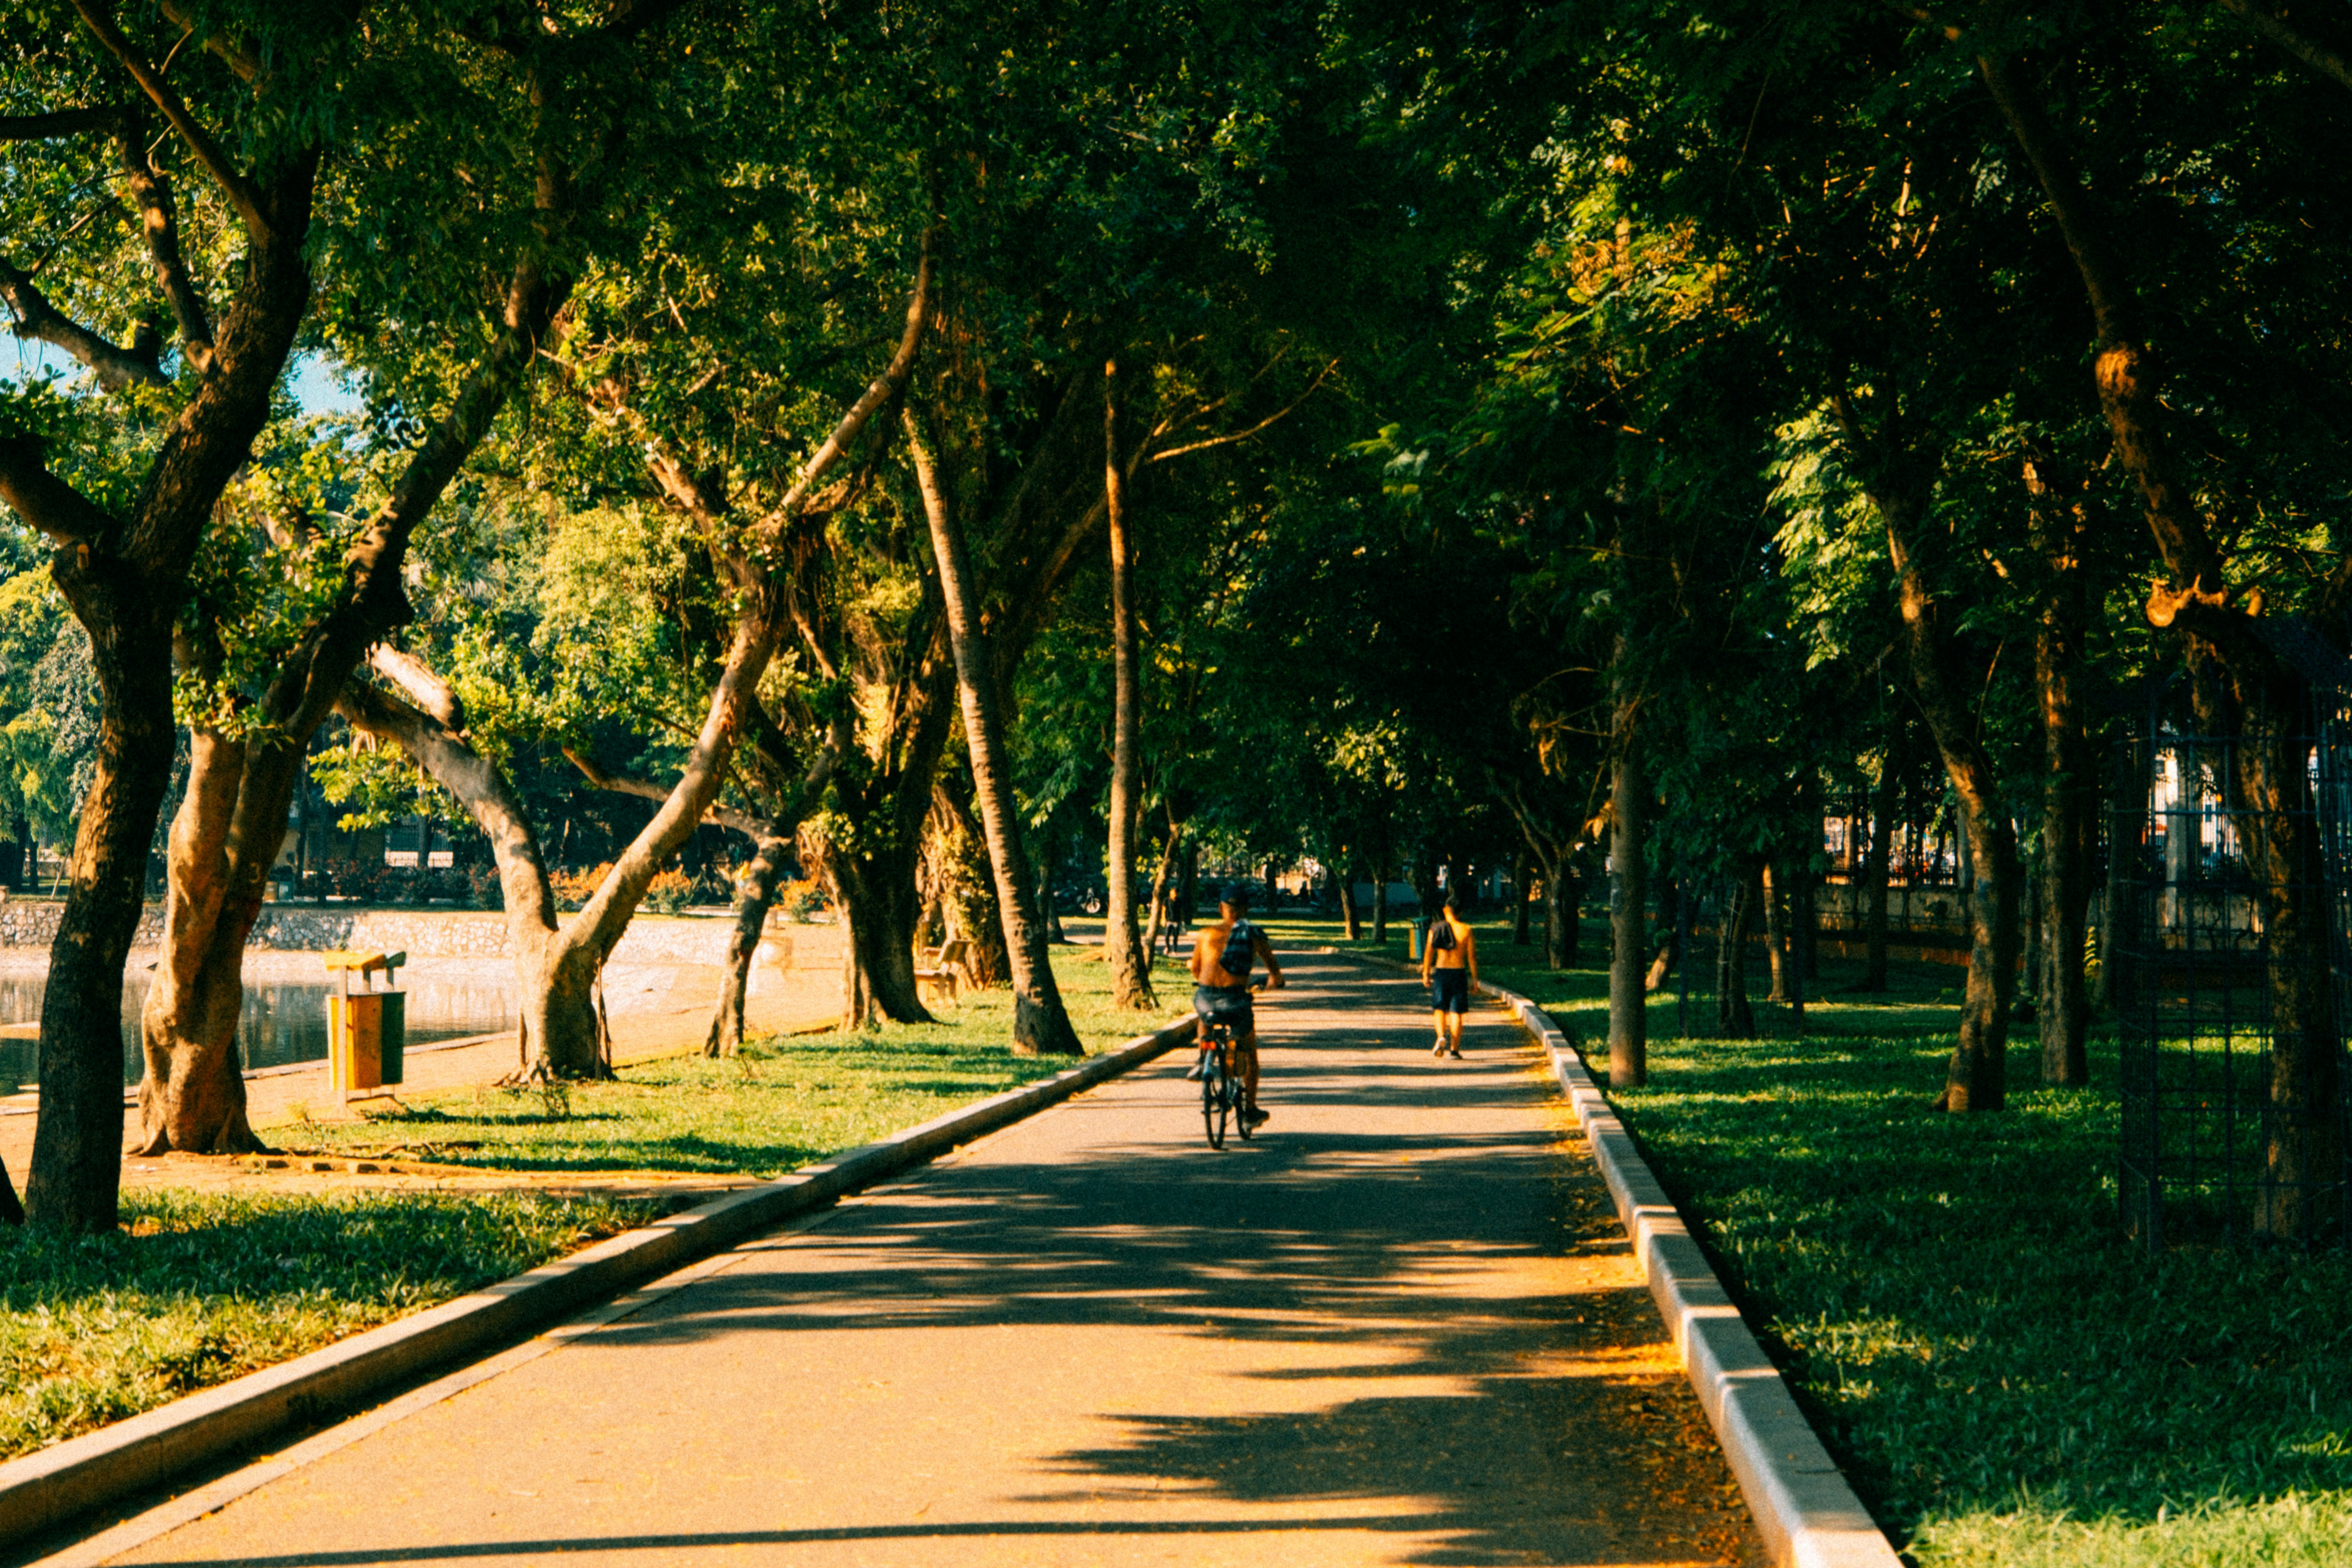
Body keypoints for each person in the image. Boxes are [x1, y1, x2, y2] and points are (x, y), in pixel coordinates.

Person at [1188, 883, 1285, 1126]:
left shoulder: (1205, 934)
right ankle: (1250, 1110)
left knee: (1205, 1015)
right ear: (1246, 909)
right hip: (1235, 1001)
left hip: (1205, 997)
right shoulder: (1253, 934)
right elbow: (1275, 973)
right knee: (1249, 1054)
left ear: (1221, 908)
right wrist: (1272, 983)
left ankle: (1204, 1059)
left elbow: (1197, 970)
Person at [1421, 889, 1477, 1059]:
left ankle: (1441, 1037)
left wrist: (1426, 972)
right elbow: (1472, 957)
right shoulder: (1466, 930)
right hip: (1458, 972)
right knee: (1456, 1013)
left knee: (1439, 1009)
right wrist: (1474, 978)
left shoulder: (1436, 929)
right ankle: (1454, 1050)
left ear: (1446, 910)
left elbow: (1429, 952)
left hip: (1441, 972)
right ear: (1460, 912)